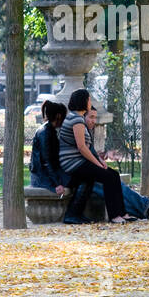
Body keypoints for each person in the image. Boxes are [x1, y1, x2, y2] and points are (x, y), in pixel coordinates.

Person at [83, 104, 149, 219]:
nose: (94, 121)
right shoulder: (79, 131)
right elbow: (83, 156)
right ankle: (147, 207)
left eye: (95, 117)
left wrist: (105, 155)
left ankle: (147, 207)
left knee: (118, 185)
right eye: (91, 117)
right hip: (84, 177)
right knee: (113, 187)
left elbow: (92, 155)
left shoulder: (86, 132)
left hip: (93, 174)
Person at [58, 89, 128, 224]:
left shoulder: (74, 117)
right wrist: (97, 164)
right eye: (89, 99)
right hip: (73, 163)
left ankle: (122, 213)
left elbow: (87, 147)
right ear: (83, 101)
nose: (90, 102)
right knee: (109, 176)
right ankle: (115, 215)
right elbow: (81, 147)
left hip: (76, 161)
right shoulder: (76, 119)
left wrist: (100, 160)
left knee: (112, 175)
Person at [30, 101, 73, 197]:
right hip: (42, 177)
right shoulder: (45, 133)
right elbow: (47, 161)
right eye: (64, 116)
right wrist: (57, 183)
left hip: (47, 174)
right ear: (58, 116)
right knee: (80, 181)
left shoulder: (50, 131)